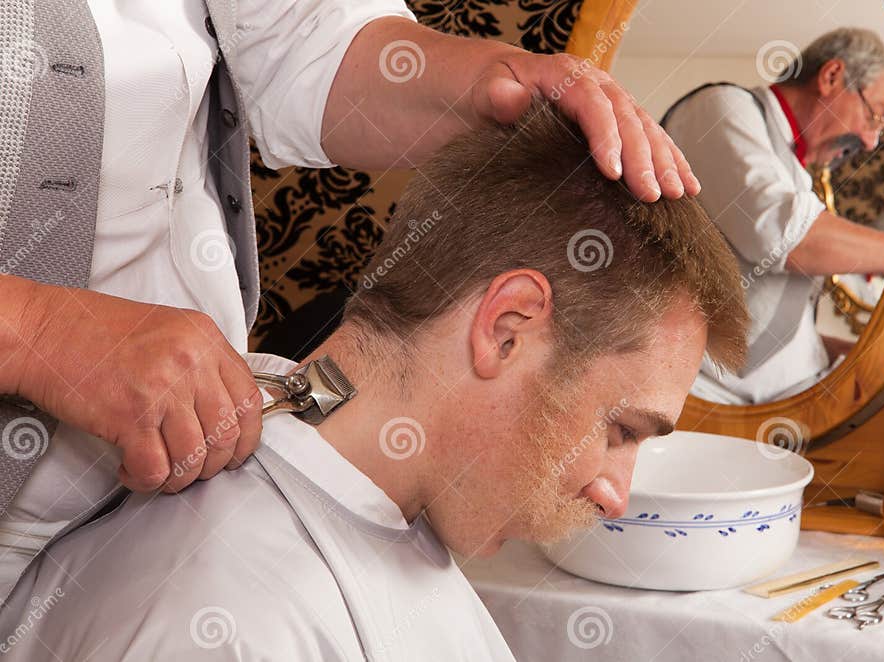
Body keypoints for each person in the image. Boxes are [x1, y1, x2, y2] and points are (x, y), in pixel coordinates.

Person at [0, 101, 747, 660]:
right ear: (507, 327)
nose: (616, 492)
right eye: (622, 432)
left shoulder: (386, 506)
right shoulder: (225, 616)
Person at [661, 27, 884, 404]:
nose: (872, 142)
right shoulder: (721, 108)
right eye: (874, 117)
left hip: (788, 404)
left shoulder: (793, 170)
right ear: (831, 77)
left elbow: (771, 311)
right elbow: (787, 240)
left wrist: (833, 353)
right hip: (703, 401)